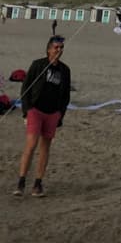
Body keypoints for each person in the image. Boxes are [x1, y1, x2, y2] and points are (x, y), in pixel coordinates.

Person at [16, 35, 71, 197]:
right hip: (35, 110)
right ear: (49, 49)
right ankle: (21, 182)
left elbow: (66, 95)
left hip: (53, 113)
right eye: (56, 47)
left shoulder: (65, 70)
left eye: (61, 48)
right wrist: (26, 111)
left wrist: (60, 114)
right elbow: (25, 88)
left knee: (45, 148)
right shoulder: (38, 65)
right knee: (31, 144)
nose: (59, 50)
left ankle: (38, 184)